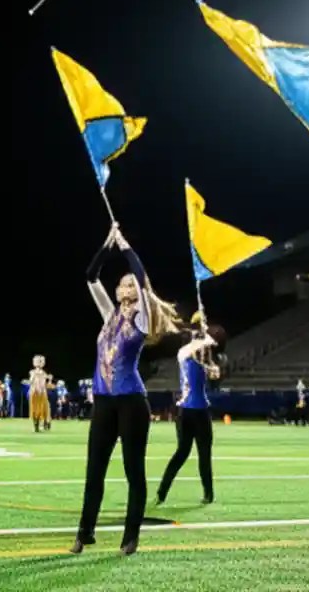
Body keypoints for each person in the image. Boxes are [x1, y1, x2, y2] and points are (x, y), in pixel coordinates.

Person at [72, 222, 180, 557]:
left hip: (132, 402)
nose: (125, 286)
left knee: (134, 470)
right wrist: (107, 244)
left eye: (129, 283)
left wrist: (126, 246)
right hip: (104, 402)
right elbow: (91, 276)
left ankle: (130, 536)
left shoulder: (143, 319)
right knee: (95, 470)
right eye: (121, 284)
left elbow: (143, 278)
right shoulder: (109, 316)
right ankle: (84, 532)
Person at [156, 328, 221, 505]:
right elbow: (193, 349)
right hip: (186, 412)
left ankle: (209, 493)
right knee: (182, 453)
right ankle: (162, 492)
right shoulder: (183, 354)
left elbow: (216, 374)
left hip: (202, 412)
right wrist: (206, 340)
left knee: (205, 455)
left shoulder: (205, 363)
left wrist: (213, 366)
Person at [27, 355, 53, 432]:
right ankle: (38, 425)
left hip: (39, 392)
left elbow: (34, 382)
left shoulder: (41, 373)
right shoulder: (35, 373)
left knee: (41, 410)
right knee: (37, 410)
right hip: (37, 393)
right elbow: (32, 381)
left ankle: (40, 424)